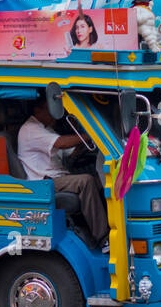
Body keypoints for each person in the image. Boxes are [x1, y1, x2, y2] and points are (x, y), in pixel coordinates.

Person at [17, 98, 109, 248]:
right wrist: (90, 135)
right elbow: (62, 143)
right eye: (50, 109)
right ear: (37, 110)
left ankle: (105, 226)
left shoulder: (47, 129)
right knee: (85, 181)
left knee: (98, 179)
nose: (54, 114)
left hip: (57, 177)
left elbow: (68, 152)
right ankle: (104, 238)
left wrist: (84, 144)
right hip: (44, 183)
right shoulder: (30, 129)